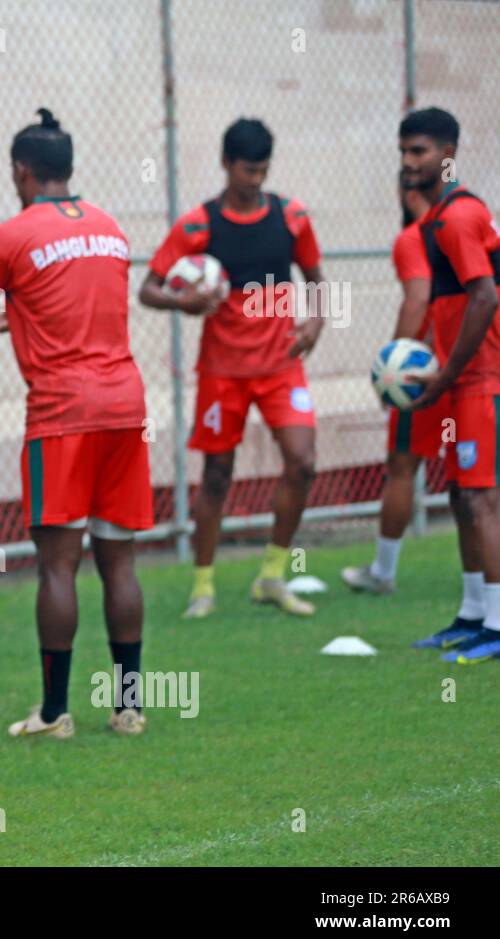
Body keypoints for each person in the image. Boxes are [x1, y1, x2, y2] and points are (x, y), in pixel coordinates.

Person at [0, 109, 152, 739]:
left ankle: (53, 712)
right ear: (67, 169)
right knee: (120, 564)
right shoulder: (111, 229)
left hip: (63, 413)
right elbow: (75, 309)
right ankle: (129, 707)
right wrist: (18, 316)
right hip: (125, 405)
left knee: (58, 567)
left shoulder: (9, 237)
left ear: (21, 171)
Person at [138, 118, 325, 619]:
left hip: (282, 365)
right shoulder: (198, 225)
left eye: (263, 171)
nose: (255, 180)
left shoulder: (292, 217)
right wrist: (186, 302)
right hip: (223, 372)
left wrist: (316, 321)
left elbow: (316, 278)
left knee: (303, 461)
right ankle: (203, 586)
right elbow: (148, 288)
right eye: (247, 170)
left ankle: (271, 575)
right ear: (225, 164)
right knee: (218, 474)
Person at [395, 107, 500, 663]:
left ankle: (499, 628)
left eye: (421, 151)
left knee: (483, 498)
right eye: (405, 152)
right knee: (462, 496)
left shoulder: (459, 218)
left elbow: (485, 296)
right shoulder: (436, 219)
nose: (410, 162)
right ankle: (474, 614)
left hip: (481, 380)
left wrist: (448, 373)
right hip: (460, 382)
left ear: (448, 154)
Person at [342, 182, 448, 595]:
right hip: (478, 362)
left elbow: (417, 300)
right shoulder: (470, 225)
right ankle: (480, 597)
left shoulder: (415, 236)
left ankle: (383, 572)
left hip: (430, 370)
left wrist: (395, 368)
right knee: (477, 481)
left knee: (402, 465)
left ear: (408, 194)